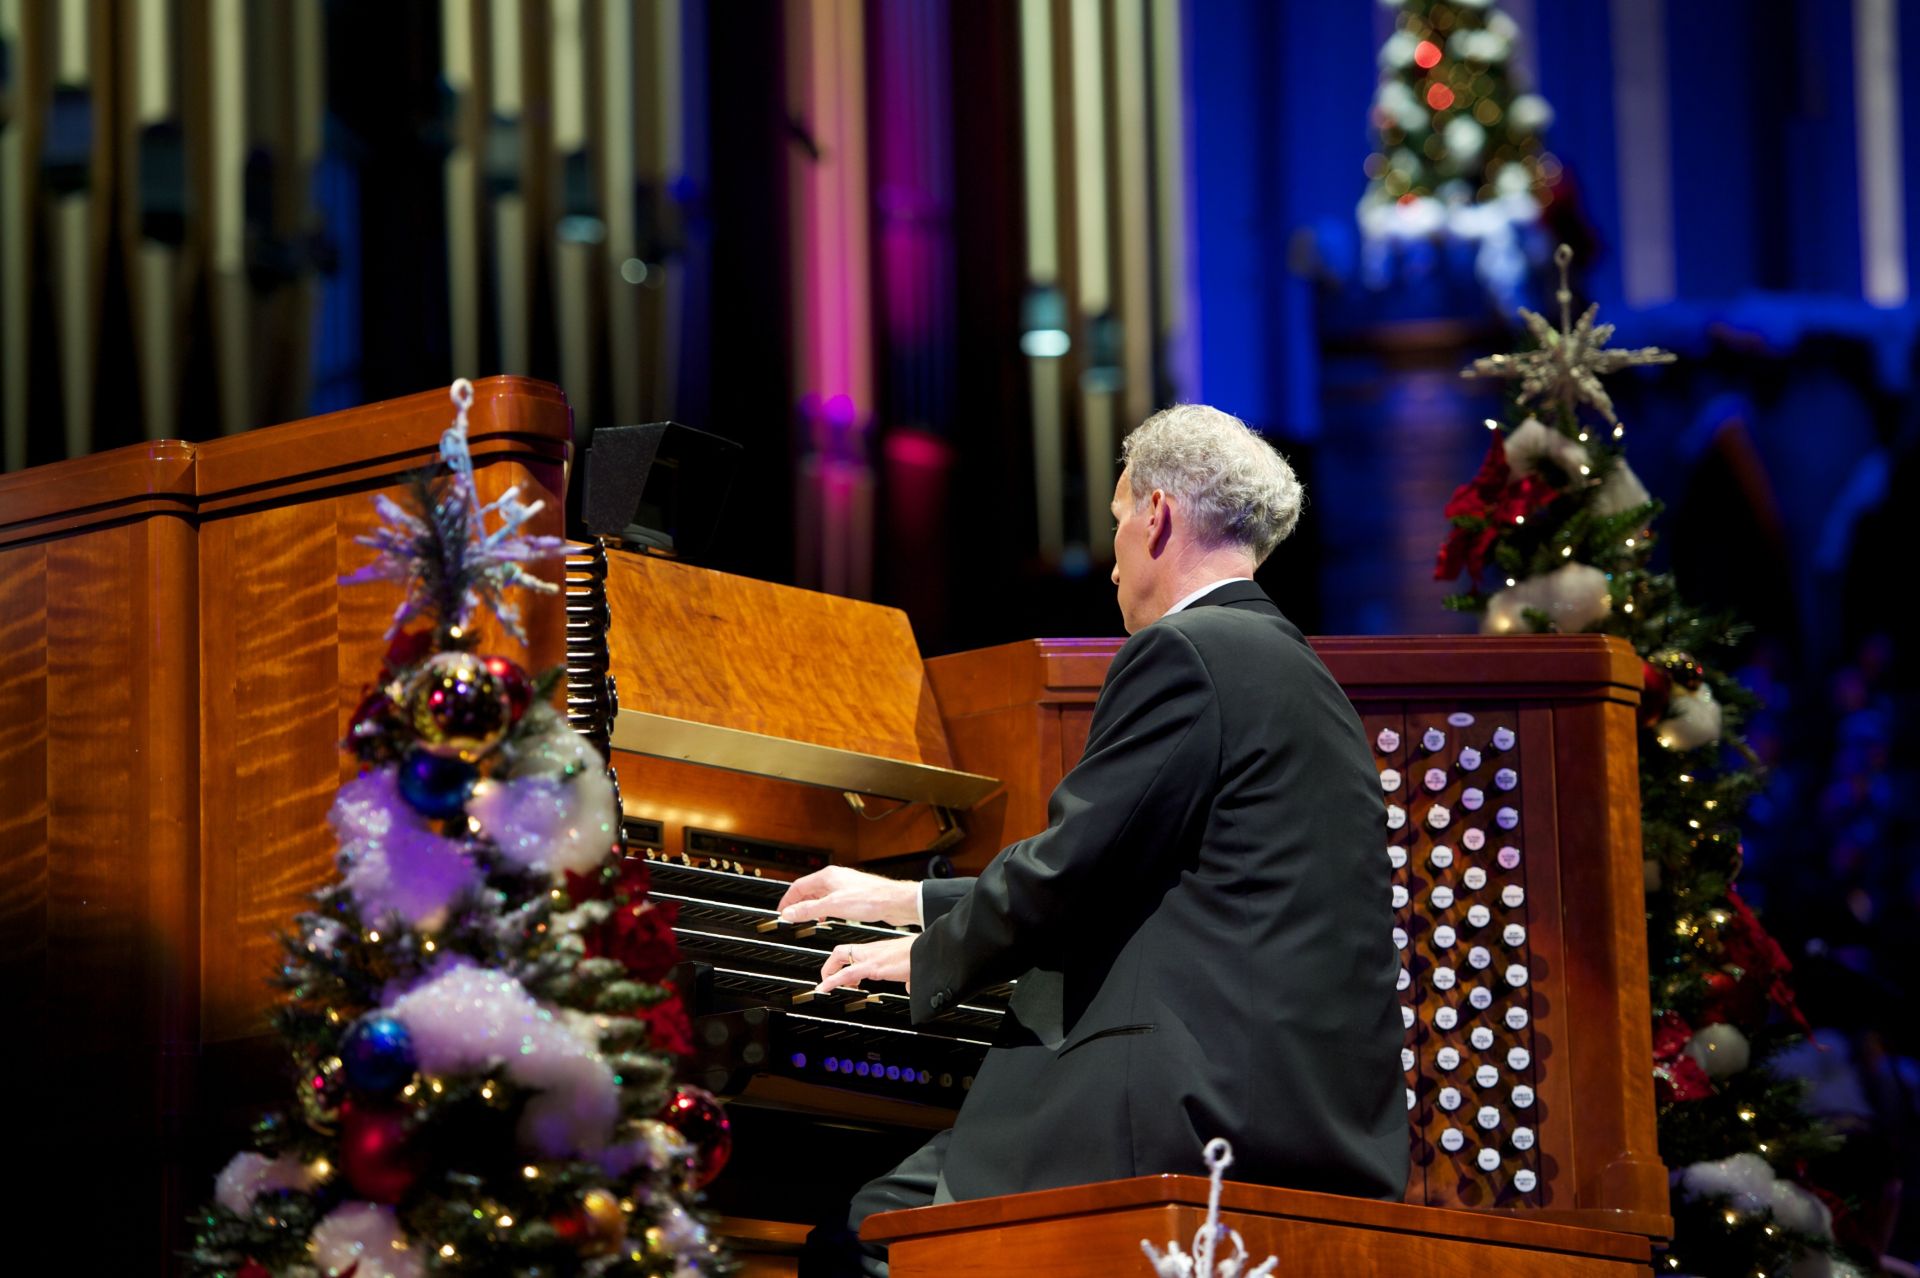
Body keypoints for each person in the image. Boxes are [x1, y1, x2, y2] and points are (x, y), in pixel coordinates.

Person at [782, 404, 1407, 1277]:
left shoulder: (1186, 651)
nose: (1112, 559)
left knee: (866, 1238)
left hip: (1181, 1111)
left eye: (1116, 520)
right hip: (1312, 1114)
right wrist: (910, 898)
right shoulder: (1302, 675)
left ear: (1157, 515)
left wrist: (927, 957)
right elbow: (1139, 869)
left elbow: (1069, 871)